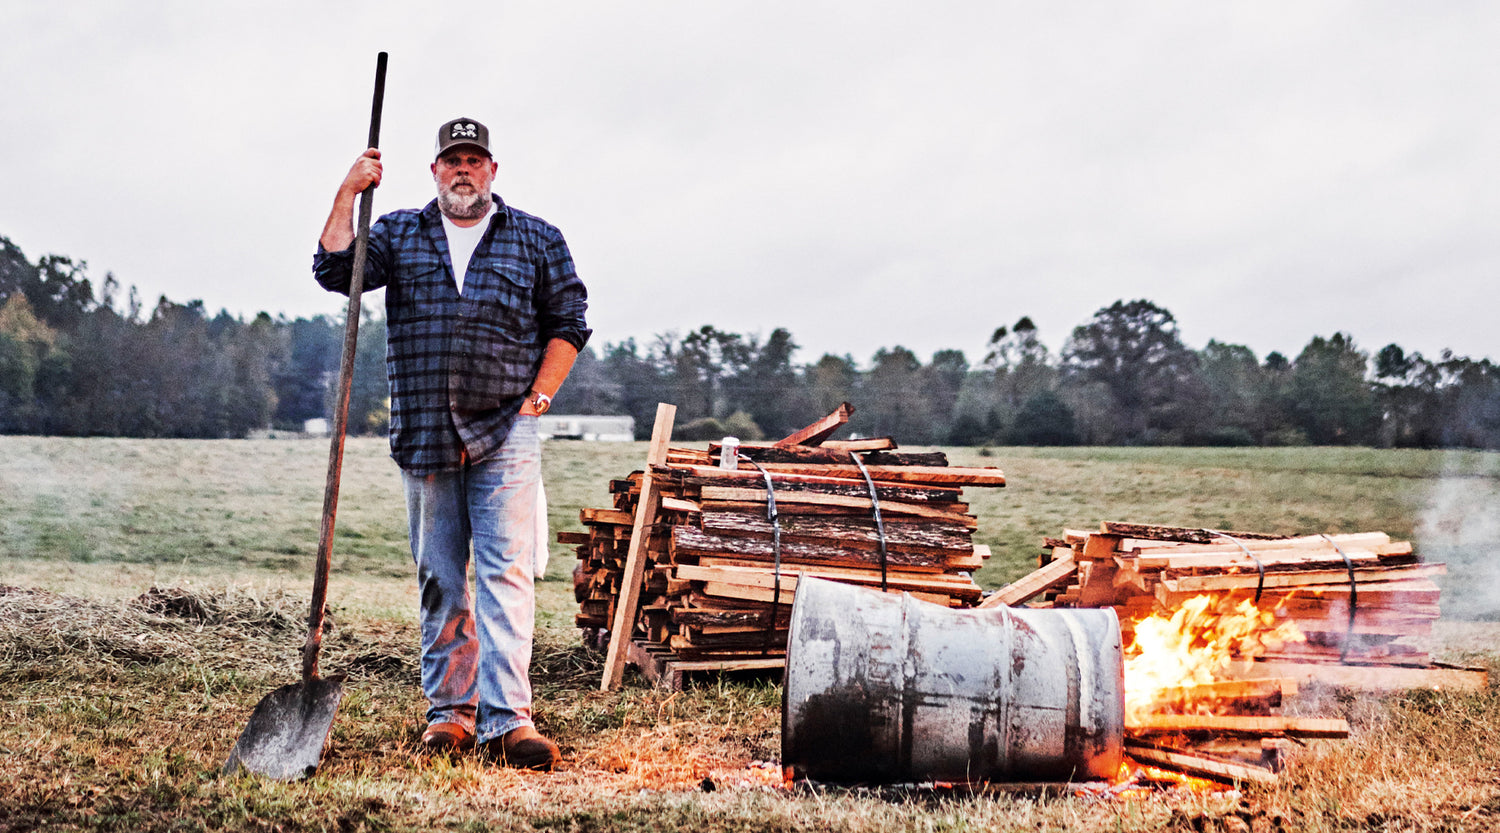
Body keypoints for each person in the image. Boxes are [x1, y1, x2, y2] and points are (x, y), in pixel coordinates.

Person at [313, 117, 590, 770]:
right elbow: (334, 271)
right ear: (434, 171)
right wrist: (347, 192)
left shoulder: (535, 238)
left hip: (506, 430)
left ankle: (507, 720)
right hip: (426, 430)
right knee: (441, 578)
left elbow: (569, 322)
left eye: (475, 159)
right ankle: (451, 714)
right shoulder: (399, 232)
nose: (463, 169)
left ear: (493, 170)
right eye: (451, 160)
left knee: (506, 575)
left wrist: (540, 396)